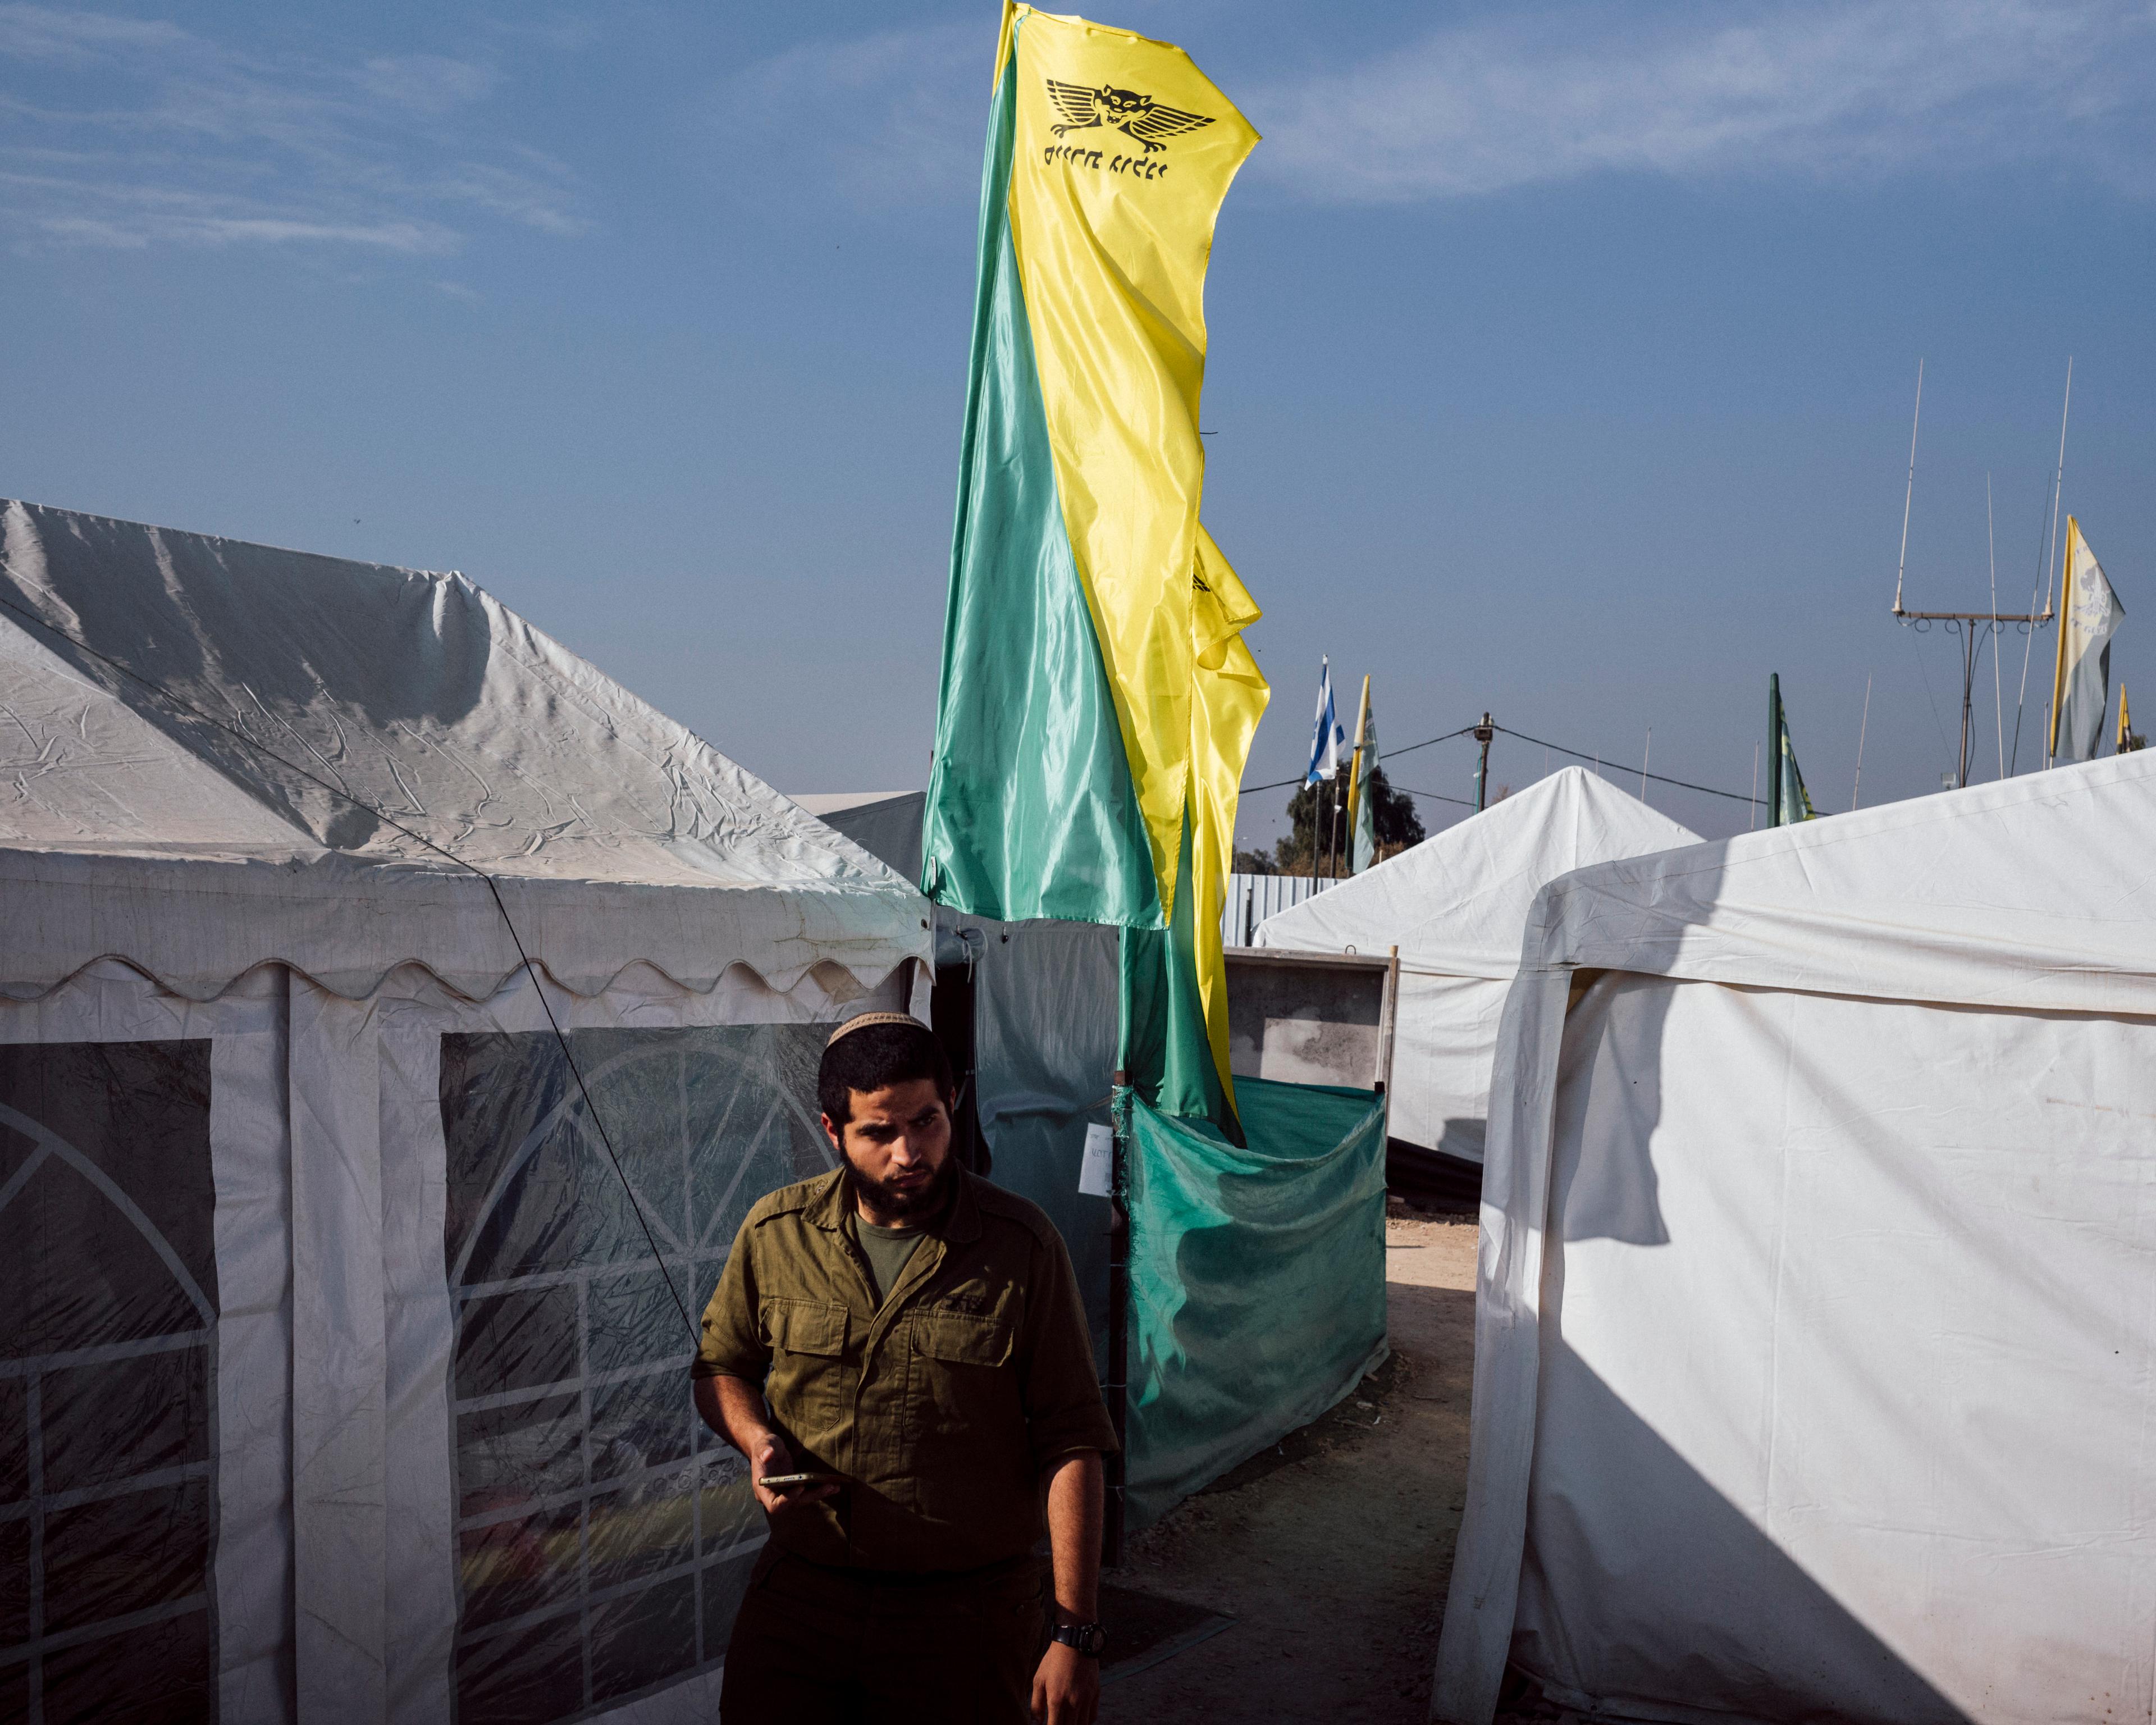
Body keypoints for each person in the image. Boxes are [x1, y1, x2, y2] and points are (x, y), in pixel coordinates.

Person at [693, 1012, 1116, 1724]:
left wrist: (1076, 1632)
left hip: (966, 1621)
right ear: (834, 1132)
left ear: (951, 1103)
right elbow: (719, 1365)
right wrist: (756, 1440)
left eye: (926, 1122)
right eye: (879, 1133)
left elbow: (1072, 1439)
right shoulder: (776, 1233)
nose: (908, 1153)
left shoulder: (1021, 1246)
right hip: (803, 1606)